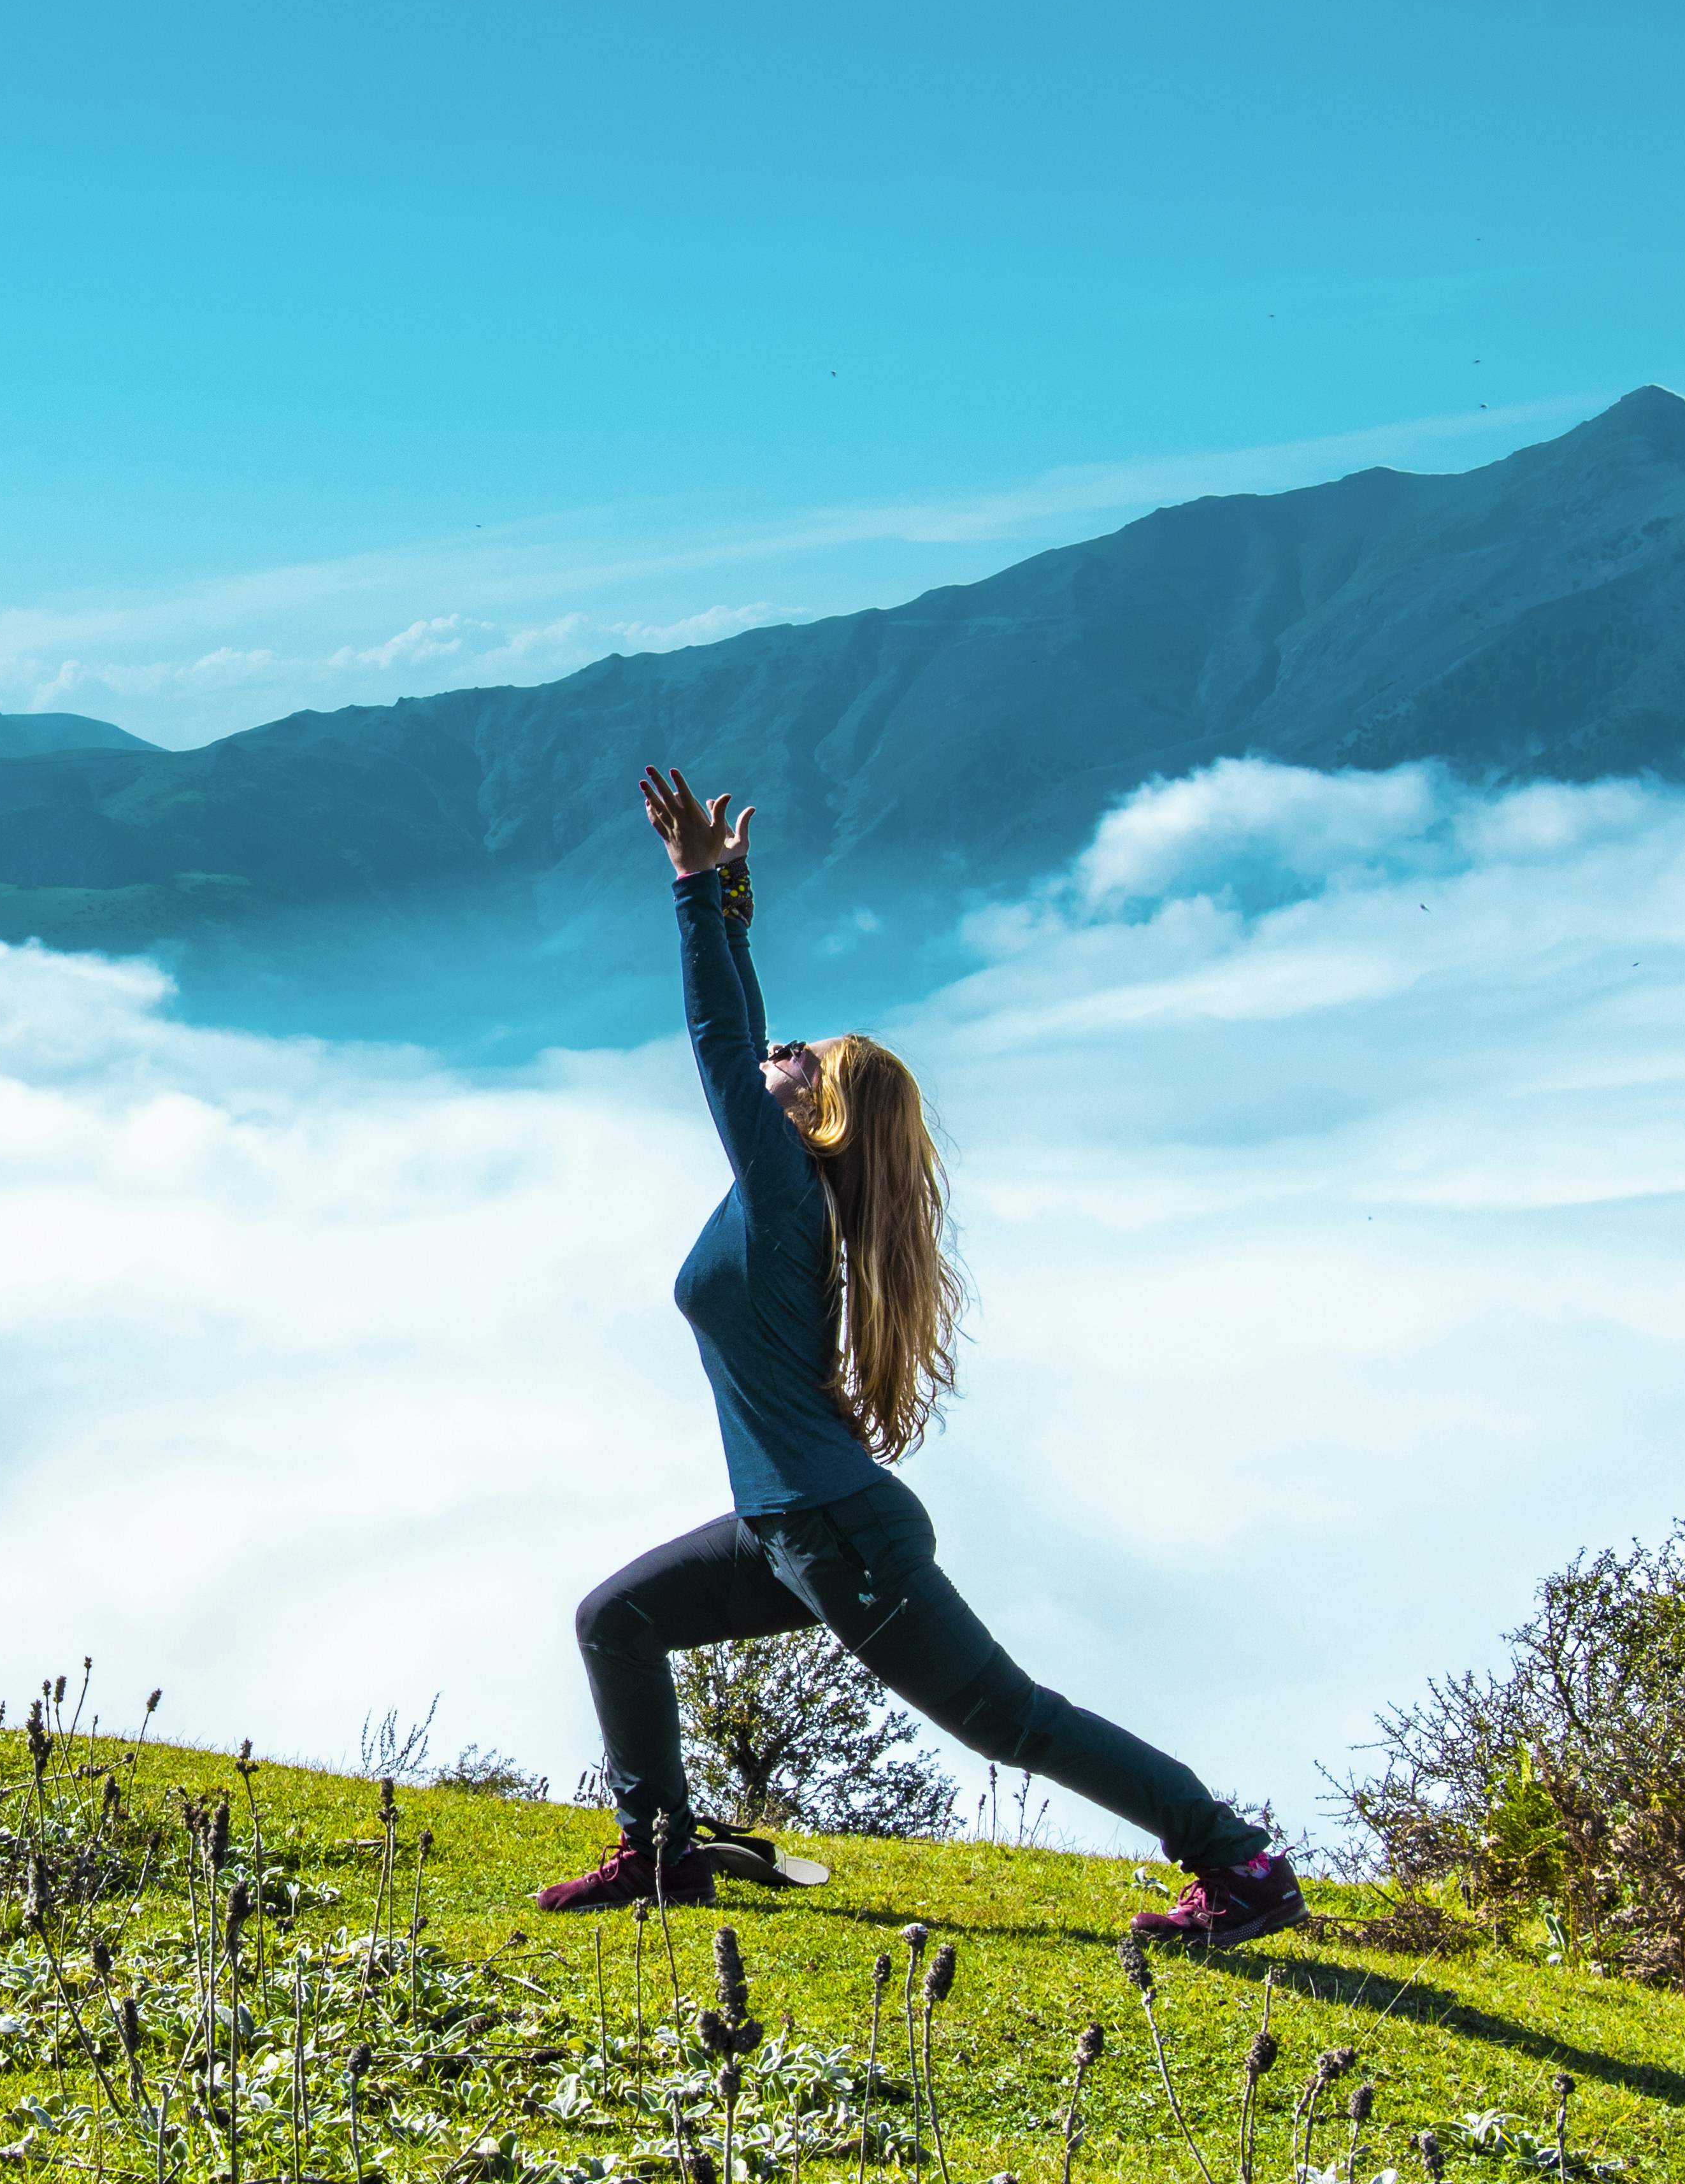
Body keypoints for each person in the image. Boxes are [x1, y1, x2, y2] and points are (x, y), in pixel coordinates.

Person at [533, 766, 1305, 1950]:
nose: (778, 1052)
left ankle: (1236, 1862)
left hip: (837, 1537)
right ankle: (661, 1855)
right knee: (615, 1622)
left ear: (820, 1111)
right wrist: (733, 901)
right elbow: (744, 1033)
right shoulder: (783, 1197)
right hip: (793, 1529)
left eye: (803, 1056)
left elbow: (718, 1039)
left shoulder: (787, 1198)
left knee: (1012, 1723)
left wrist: (694, 890)